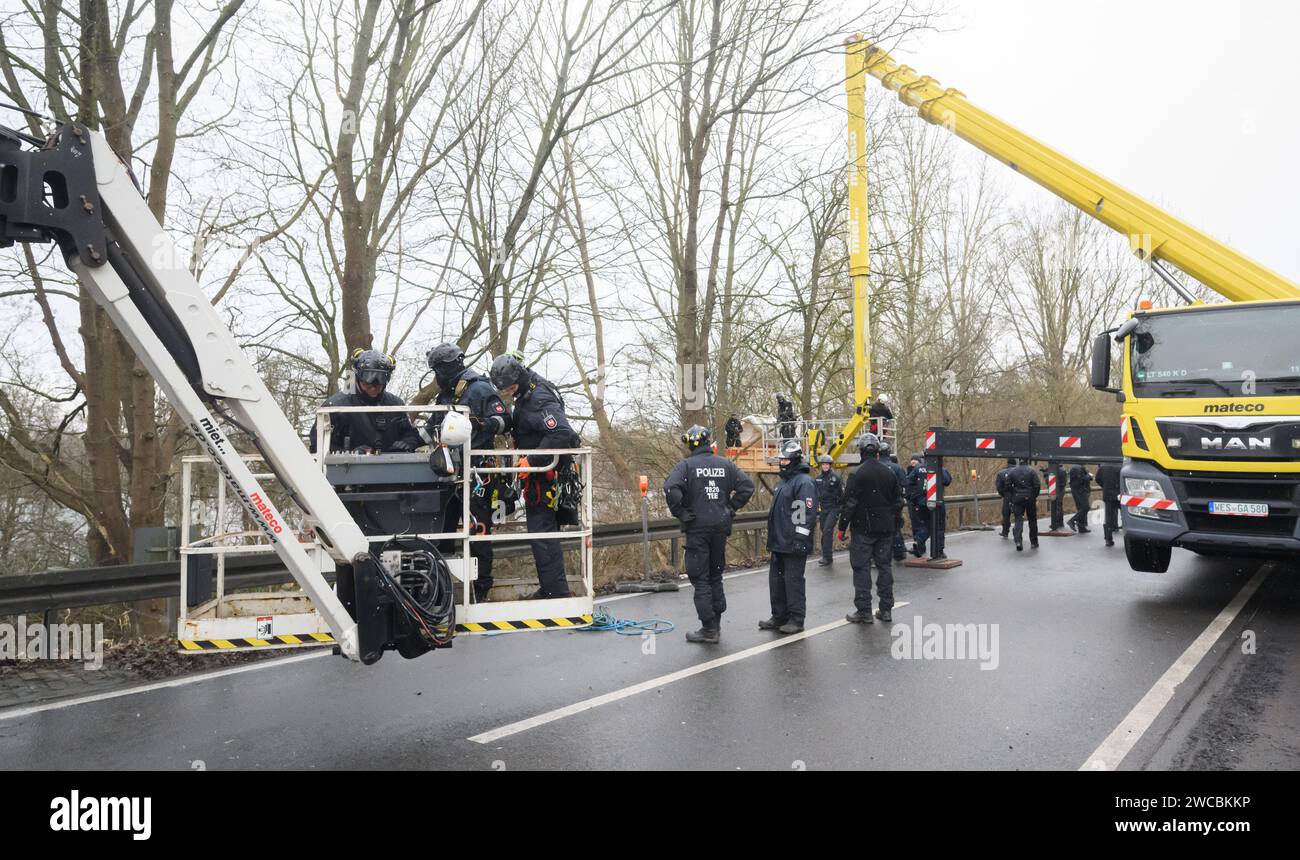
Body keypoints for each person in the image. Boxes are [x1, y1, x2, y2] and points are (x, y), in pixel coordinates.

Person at [426, 343, 514, 602]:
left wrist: (481, 423)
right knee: (443, 530)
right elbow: (432, 426)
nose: (436, 377)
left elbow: (504, 421)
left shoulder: (479, 389)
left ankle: (482, 587)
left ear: (446, 368)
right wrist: (405, 439)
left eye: (437, 371)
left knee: (478, 530)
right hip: (450, 472)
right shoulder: (447, 395)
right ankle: (440, 588)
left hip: (477, 473)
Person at [489, 353, 581, 598]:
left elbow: (562, 433)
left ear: (516, 380)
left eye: (508, 388)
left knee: (542, 533)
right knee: (541, 533)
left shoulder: (538, 397)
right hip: (538, 477)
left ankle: (556, 592)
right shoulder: (527, 393)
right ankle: (552, 587)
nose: (507, 392)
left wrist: (532, 459)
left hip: (545, 477)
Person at [664, 425, 755, 643]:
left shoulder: (685, 466)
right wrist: (730, 508)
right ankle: (716, 624)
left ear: (690, 444)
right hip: (720, 527)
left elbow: (670, 488)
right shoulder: (725, 464)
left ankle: (708, 629)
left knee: (701, 578)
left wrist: (682, 513)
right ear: (708, 442)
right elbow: (747, 486)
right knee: (715, 576)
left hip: (698, 528)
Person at [838, 433, 901, 624]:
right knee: (884, 567)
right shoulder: (889, 472)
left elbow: (849, 504)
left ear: (861, 450)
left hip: (863, 529)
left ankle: (864, 611)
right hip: (885, 529)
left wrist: (842, 527)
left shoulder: (857, 473)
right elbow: (898, 501)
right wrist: (895, 523)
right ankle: (886, 609)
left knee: (861, 568)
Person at [310, 349, 421, 454]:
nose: (373, 388)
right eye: (367, 383)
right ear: (357, 379)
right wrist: (350, 454)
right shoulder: (335, 407)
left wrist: (407, 443)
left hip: (391, 469)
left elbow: (409, 433)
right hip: (347, 471)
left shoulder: (396, 404)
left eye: (379, 383)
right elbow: (318, 445)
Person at [760, 439, 817, 635]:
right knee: (776, 582)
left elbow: (805, 515)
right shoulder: (783, 483)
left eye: (784, 460)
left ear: (793, 460)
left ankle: (796, 619)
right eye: (781, 460)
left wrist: (799, 540)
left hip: (793, 543)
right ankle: (779, 616)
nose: (781, 463)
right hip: (778, 542)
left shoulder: (803, 483)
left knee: (793, 582)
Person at [905, 456, 952, 559]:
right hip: (937, 502)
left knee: (925, 524)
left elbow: (908, 482)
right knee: (938, 526)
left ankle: (919, 541)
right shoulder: (940, 469)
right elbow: (947, 480)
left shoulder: (918, 468)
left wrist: (913, 498)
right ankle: (938, 550)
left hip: (922, 502)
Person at [813, 454, 843, 566]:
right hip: (823, 509)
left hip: (834, 508)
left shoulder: (836, 478)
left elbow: (842, 494)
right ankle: (828, 556)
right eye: (823, 464)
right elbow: (815, 495)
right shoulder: (817, 480)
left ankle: (826, 557)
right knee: (824, 532)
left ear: (830, 465)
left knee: (827, 531)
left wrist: (840, 509)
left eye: (827, 464)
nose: (825, 466)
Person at [881, 442, 909, 560]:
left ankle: (881, 554)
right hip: (895, 503)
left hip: (878, 504)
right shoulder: (896, 468)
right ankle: (898, 552)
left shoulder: (874, 467)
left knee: (879, 530)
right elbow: (905, 484)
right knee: (895, 528)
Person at [1007, 458, 1041, 551]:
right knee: (1032, 520)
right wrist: (1034, 495)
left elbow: (1007, 485)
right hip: (1030, 498)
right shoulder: (1032, 471)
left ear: (1019, 462)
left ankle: (1018, 541)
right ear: (1027, 462)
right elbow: (1037, 485)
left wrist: (1013, 495)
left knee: (1018, 519)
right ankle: (1034, 542)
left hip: (1017, 498)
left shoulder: (1013, 472)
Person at [1095, 462, 1122, 546]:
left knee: (1108, 517)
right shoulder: (1122, 466)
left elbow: (1097, 479)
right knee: (1125, 516)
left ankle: (1108, 539)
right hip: (1120, 494)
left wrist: (1105, 486)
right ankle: (1128, 540)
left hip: (1108, 495)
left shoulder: (1102, 467)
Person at [1068, 464, 1093, 534]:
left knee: (1081, 509)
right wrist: (1089, 476)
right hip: (1080, 491)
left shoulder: (1074, 468)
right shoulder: (1079, 468)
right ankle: (1072, 521)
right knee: (1086, 507)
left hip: (1075, 490)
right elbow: (1082, 479)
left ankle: (1081, 528)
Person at [995, 458, 1016, 538]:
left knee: (1006, 514)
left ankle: (1005, 531)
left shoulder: (1001, 473)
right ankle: (1017, 531)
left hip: (1007, 495)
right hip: (1018, 494)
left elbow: (999, 486)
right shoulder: (1018, 471)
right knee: (1018, 514)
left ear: (1007, 463)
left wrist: (1004, 494)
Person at [1043, 462, 1067, 530]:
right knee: (1059, 505)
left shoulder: (1054, 470)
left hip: (1056, 490)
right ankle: (1060, 523)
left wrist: (1045, 474)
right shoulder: (1063, 470)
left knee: (1056, 506)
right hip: (1061, 489)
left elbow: (1049, 481)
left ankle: (1055, 523)